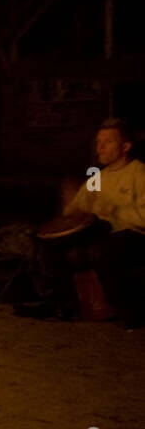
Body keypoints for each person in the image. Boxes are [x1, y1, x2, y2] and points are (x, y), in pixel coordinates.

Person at [45, 119, 145, 326]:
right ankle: (67, 305)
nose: (99, 148)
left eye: (107, 142)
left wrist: (115, 210)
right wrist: (71, 206)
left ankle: (128, 312)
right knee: (53, 246)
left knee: (99, 251)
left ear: (125, 146)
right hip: (102, 232)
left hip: (134, 234)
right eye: (98, 142)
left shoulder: (139, 174)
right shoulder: (98, 177)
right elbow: (75, 211)